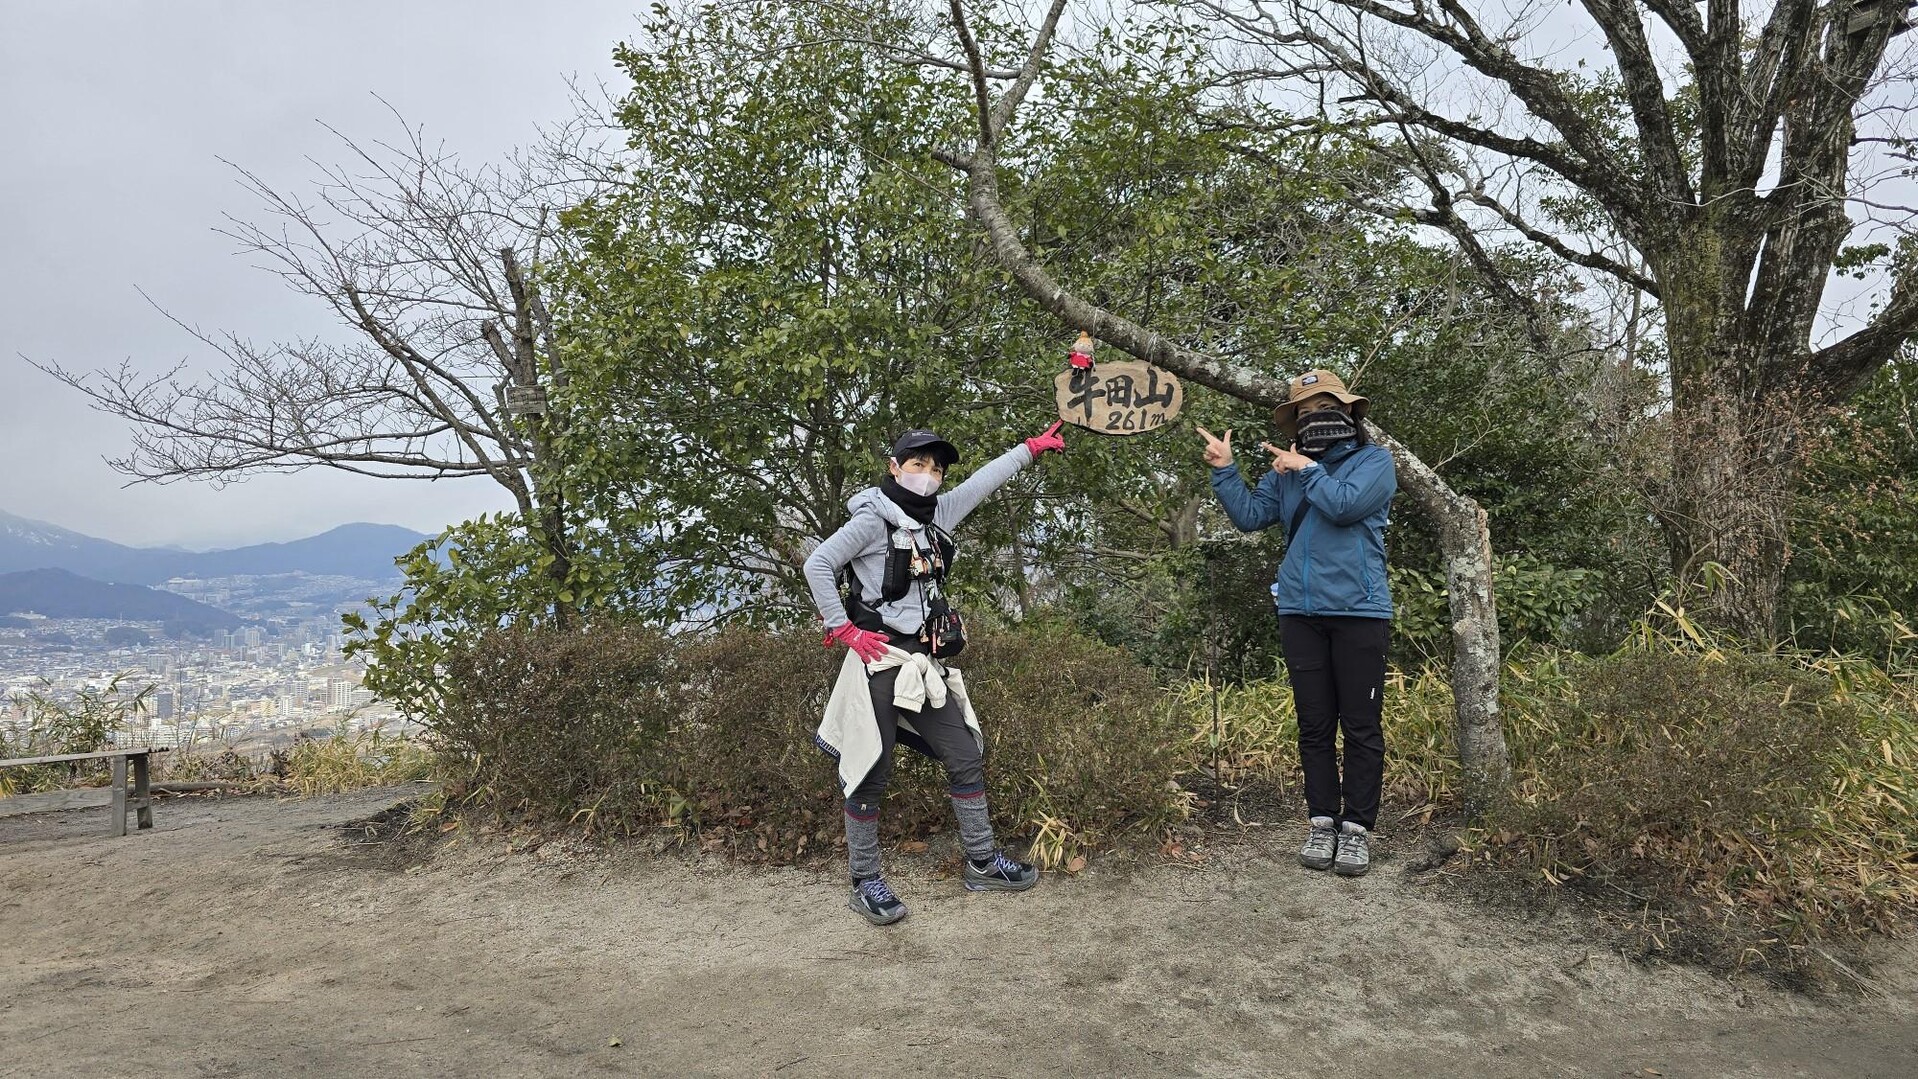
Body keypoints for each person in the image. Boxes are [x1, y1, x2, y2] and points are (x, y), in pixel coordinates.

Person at [803, 421, 1066, 925]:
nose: (928, 474)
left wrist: (1029, 449)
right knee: (870, 768)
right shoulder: (871, 522)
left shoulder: (939, 513)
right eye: (918, 464)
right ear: (894, 467)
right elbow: (818, 564)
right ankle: (865, 880)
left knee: (964, 753)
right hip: (879, 659)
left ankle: (983, 863)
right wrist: (845, 631)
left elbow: (984, 482)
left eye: (936, 467)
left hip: (924, 663)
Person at [1197, 369, 1396, 877]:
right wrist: (1226, 469)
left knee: (1360, 723)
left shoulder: (1374, 463)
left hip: (1359, 612)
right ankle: (1322, 820)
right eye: (1304, 412)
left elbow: (1345, 506)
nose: (1314, 418)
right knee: (1313, 724)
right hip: (1299, 612)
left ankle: (1356, 829)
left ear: (1349, 411)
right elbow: (1248, 516)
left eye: (1323, 407)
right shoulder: (1284, 473)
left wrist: (1306, 469)